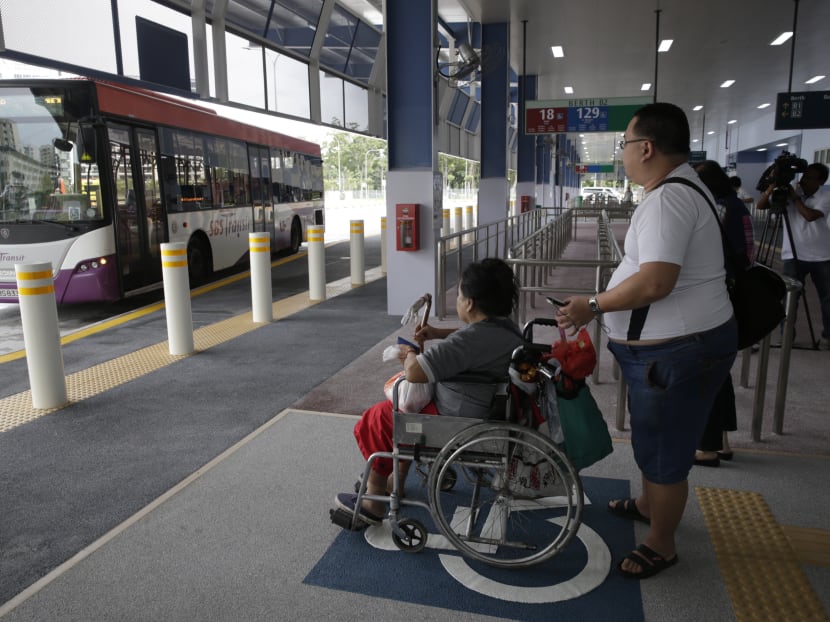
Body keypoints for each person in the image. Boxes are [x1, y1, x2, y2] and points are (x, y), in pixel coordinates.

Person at [555, 103, 737, 579]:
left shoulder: (667, 200)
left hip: (677, 351)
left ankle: (662, 542)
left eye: (625, 146)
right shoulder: (682, 189)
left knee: (665, 449)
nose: (623, 154)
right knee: (654, 438)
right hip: (676, 348)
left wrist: (592, 306)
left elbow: (656, 282)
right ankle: (646, 504)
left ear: (647, 148)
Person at [334, 258, 523, 525]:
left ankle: (373, 498)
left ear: (469, 303)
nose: (457, 299)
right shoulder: (506, 329)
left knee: (381, 417)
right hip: (485, 407)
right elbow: (474, 339)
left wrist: (408, 352)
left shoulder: (468, 342)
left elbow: (415, 372)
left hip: (456, 417)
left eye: (458, 294)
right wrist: (437, 333)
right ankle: (394, 481)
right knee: (408, 414)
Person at [692, 160, 755, 467]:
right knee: (719, 369)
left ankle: (708, 446)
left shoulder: (719, 208)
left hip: (713, 295)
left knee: (706, 368)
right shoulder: (732, 206)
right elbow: (745, 255)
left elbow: (740, 256)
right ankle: (722, 441)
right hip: (723, 292)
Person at [756, 162, 830, 350]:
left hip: (822, 256)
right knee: (789, 299)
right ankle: (787, 336)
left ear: (821, 181)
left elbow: (810, 215)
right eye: (804, 176)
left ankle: (828, 336)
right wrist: (773, 186)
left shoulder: (825, 196)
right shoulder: (788, 192)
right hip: (793, 256)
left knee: (827, 299)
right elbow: (762, 205)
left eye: (810, 178)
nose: (804, 181)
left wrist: (794, 197)